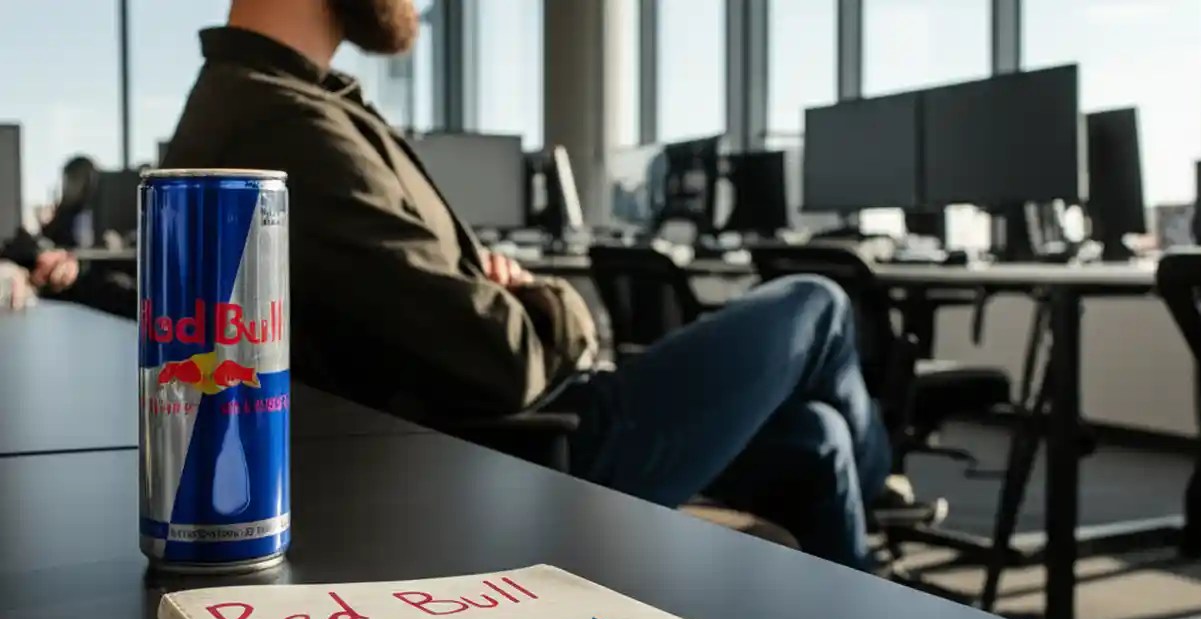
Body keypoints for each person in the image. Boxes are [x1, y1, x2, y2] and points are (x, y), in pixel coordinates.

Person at [163, 0, 941, 571]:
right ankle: (884, 489)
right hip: (521, 454)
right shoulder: (281, 122)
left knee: (817, 436)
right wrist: (552, 300)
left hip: (501, 434)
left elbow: (437, 314)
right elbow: (496, 354)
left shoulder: (285, 102)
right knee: (818, 303)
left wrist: (496, 295)